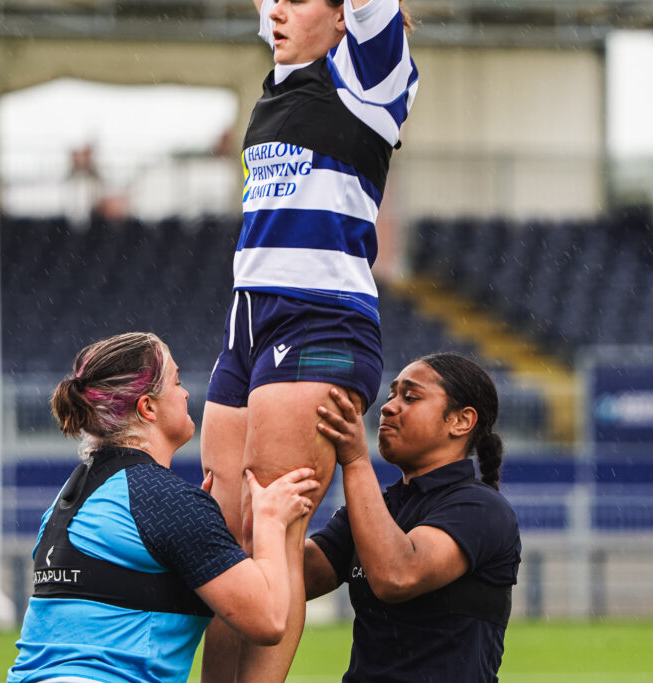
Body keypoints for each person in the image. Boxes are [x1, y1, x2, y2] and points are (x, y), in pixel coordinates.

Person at [200, 0, 418, 679]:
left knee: (275, 533)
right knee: (220, 543)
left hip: (320, 320)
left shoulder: (368, 82)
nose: (279, 11)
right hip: (248, 322)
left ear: (345, 18)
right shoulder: (277, 87)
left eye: (300, 1)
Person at [7, 332, 320, 683]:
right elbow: (269, 620)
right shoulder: (165, 502)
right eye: (177, 381)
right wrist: (271, 521)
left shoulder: (70, 499)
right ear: (148, 408)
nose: (186, 393)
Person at [306, 352, 522, 682]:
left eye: (410, 396)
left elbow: (397, 575)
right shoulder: (380, 507)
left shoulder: (482, 508)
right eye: (391, 395)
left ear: (461, 421)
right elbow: (295, 579)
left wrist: (355, 462)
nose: (388, 406)